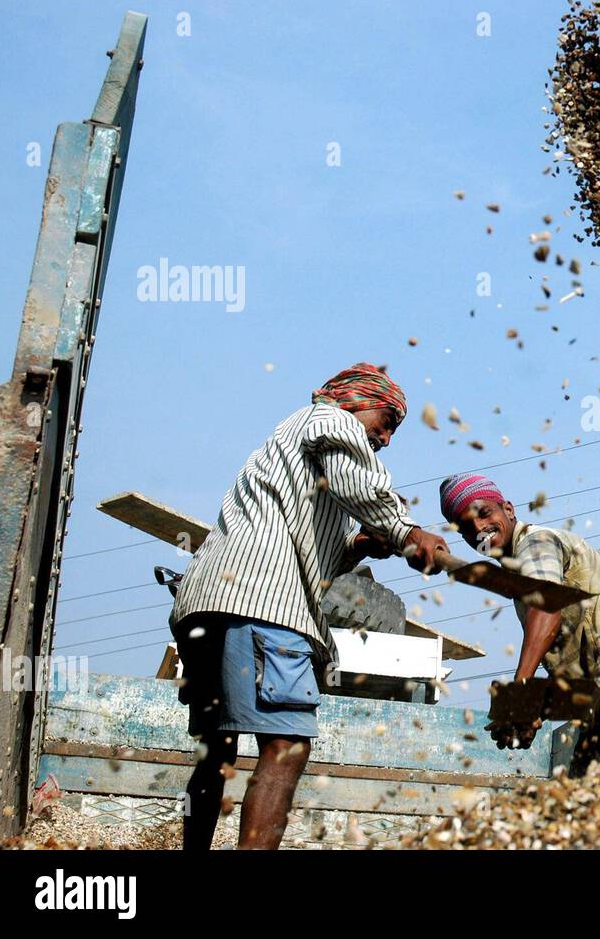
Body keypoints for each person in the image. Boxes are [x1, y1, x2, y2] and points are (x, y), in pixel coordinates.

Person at [170, 363, 448, 849]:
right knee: (286, 748)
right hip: (261, 603)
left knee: (216, 751)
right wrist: (407, 530)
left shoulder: (293, 453)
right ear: (356, 401)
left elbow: (324, 559)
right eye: (385, 421)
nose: (385, 437)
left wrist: (363, 543)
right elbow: (361, 484)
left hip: (207, 602)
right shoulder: (331, 420)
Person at [439, 472, 600, 775]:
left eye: (484, 513)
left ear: (509, 509)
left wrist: (519, 697)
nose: (478, 528)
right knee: (585, 801)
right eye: (465, 528)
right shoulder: (519, 575)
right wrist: (531, 714)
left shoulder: (536, 542)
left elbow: (547, 604)